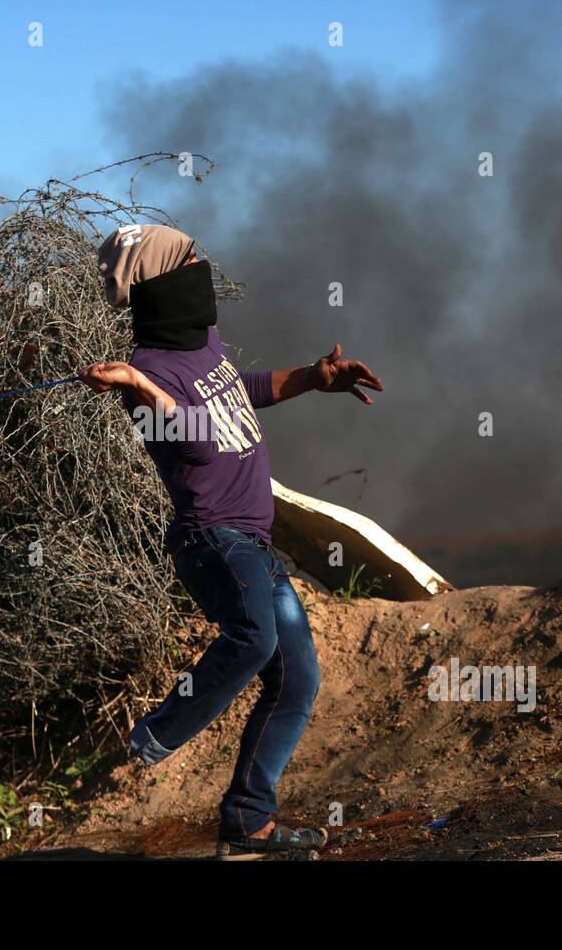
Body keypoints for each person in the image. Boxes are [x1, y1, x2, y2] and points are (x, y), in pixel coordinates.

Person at [79, 224, 383, 858]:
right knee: (256, 637)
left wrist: (311, 377)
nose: (201, 267)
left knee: (297, 678)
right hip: (212, 542)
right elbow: (197, 441)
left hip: (255, 544)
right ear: (165, 282)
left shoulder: (201, 346)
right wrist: (140, 389)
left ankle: (248, 823)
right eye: (189, 262)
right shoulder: (143, 372)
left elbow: (236, 395)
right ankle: (155, 738)